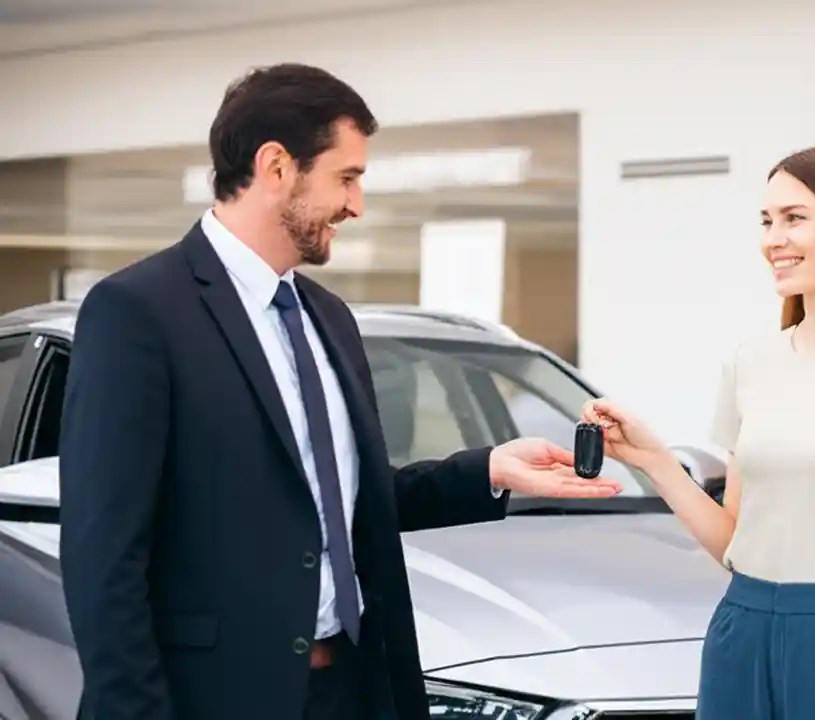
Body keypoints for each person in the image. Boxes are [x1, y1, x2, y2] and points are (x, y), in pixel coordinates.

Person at [58, 63, 623, 720]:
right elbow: (104, 560)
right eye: (346, 177)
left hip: (351, 690)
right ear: (276, 167)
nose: (357, 205)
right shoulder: (136, 313)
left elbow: (347, 503)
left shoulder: (328, 317)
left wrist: (489, 470)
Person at [582, 145, 815, 720]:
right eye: (766, 221)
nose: (773, 240)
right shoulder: (750, 364)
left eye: (794, 218)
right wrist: (655, 460)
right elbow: (734, 542)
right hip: (742, 631)